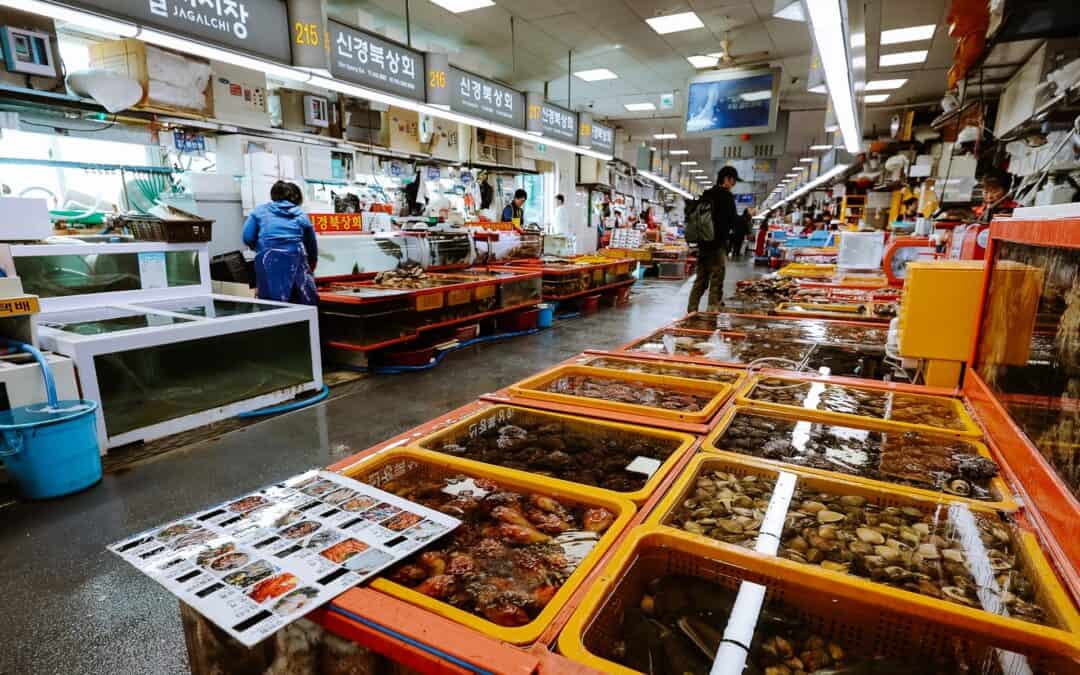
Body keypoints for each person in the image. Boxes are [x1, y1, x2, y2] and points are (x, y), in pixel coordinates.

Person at [243, 181, 318, 305]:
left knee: (270, 305)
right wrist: (311, 266)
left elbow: (247, 237)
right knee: (301, 303)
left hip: (266, 261)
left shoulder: (259, 212)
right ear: (297, 198)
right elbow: (312, 247)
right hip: (295, 261)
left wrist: (261, 248)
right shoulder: (301, 215)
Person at [688, 165, 739, 313]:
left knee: (701, 280)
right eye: (733, 180)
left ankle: (691, 311)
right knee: (716, 279)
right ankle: (712, 312)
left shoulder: (707, 194)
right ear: (727, 179)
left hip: (703, 244)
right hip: (717, 245)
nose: (734, 184)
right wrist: (746, 218)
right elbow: (733, 221)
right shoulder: (726, 196)